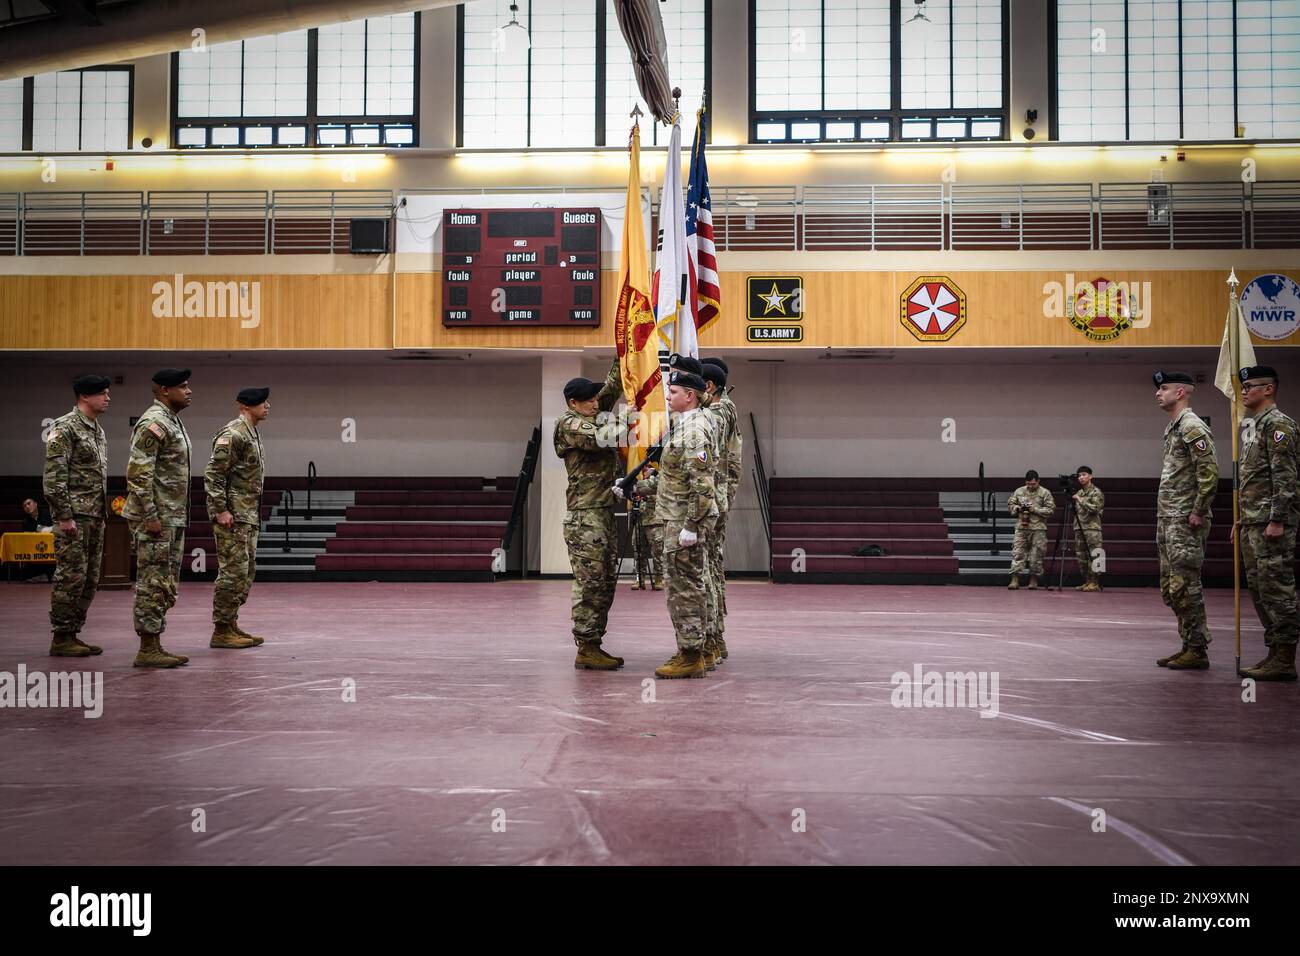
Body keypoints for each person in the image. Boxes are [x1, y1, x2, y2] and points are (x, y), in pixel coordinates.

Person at [554, 359, 625, 670]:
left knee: (607, 581)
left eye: (597, 400)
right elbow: (602, 439)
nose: (597, 403)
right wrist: (626, 422)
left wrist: (624, 355)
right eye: (591, 400)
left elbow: (614, 387)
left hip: (603, 514)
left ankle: (595, 642)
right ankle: (585, 645)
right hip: (585, 517)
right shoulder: (568, 424)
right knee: (590, 582)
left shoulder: (596, 414)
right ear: (574, 403)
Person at [649, 355, 718, 679]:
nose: (667, 396)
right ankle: (696, 650)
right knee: (690, 586)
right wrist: (640, 487)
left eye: (673, 391)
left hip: (681, 526)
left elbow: (702, 486)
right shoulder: (688, 425)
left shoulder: (693, 431)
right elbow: (675, 479)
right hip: (676, 519)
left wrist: (691, 526)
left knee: (683, 590)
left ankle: (689, 655)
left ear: (689, 395)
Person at [122, 368, 194, 669]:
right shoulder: (154, 423)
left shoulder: (170, 421)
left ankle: (155, 643)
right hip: (158, 518)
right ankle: (148, 647)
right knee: (153, 582)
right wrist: (150, 515)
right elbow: (139, 475)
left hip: (170, 516)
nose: (189, 391)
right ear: (165, 390)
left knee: (164, 582)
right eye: (183, 386)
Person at [1236, 366, 1299, 681]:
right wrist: (1242, 518)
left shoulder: (1278, 425)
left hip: (1271, 524)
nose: (1244, 391)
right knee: (1260, 589)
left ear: (1269, 389)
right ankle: (1274, 652)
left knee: (1277, 588)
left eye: (1250, 386)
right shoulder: (1252, 425)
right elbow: (1254, 480)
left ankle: (1285, 657)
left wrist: (1277, 519)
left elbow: (1285, 478)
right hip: (1253, 521)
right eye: (1242, 386)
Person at [1152, 370, 1219, 670]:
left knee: (1186, 584)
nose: (1158, 393)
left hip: (1185, 519)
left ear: (1181, 393)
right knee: (1171, 587)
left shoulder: (1192, 427)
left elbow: (1209, 473)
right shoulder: (1174, 428)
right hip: (1169, 517)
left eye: (1164, 388)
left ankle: (1197, 648)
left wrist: (1198, 510)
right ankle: (1188, 644)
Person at [42, 374, 111, 654]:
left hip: (94, 515)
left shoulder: (97, 429)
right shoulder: (65, 428)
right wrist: (64, 516)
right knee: (70, 577)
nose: (108, 398)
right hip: (74, 518)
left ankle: (73, 631)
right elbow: (54, 477)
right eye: (102, 393)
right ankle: (61, 636)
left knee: (89, 579)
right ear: (84, 396)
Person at [205, 387, 271, 650]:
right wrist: (221, 509)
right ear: (244, 406)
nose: (267, 406)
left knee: (245, 573)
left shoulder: (251, 433)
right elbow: (214, 475)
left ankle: (230, 623)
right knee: (233, 573)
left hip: (247, 515)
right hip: (232, 516)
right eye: (261, 402)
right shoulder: (232, 434)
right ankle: (221, 629)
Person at [700, 359, 738, 665]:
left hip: (711, 498)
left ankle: (710, 639)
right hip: (718, 496)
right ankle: (715, 637)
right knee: (712, 568)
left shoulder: (719, 411)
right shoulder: (724, 408)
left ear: (708, 386)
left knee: (705, 570)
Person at [1007, 470, 1055, 589]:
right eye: (1028, 483)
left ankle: (1033, 580)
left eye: (1033, 484)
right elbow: (1010, 504)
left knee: (1036, 555)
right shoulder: (1019, 491)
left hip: (1038, 528)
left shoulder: (1045, 493)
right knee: (1017, 553)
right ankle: (1015, 579)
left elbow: (1050, 510)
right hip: (1022, 527)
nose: (1030, 486)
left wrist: (1035, 509)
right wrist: (1016, 508)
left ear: (1038, 481)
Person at [630, 462, 665, 590]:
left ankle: (659, 579)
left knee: (658, 552)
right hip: (640, 521)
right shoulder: (640, 483)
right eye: (644, 468)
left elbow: (660, 498)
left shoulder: (658, 482)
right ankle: (640, 579)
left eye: (648, 468)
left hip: (655, 522)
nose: (645, 470)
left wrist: (646, 496)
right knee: (638, 551)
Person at [1072, 466, 1105, 592]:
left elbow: (1095, 508)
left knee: (1096, 554)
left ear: (1090, 476)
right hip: (1080, 527)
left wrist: (1080, 500)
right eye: (1079, 475)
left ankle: (1095, 582)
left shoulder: (1096, 492)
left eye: (1084, 474)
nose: (1081, 477)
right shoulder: (1079, 493)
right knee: (1082, 556)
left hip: (1092, 528)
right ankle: (1087, 581)